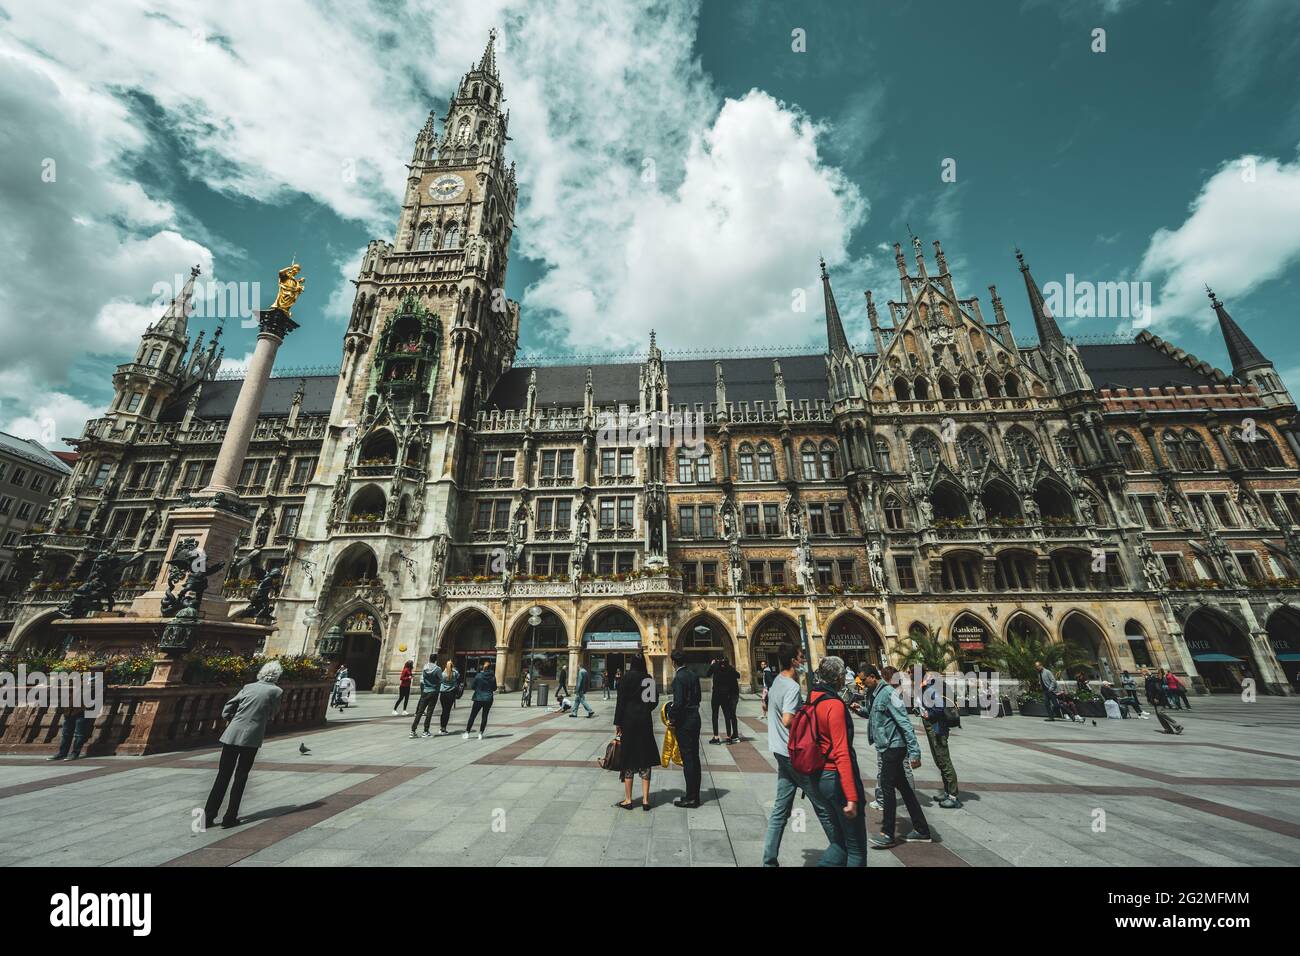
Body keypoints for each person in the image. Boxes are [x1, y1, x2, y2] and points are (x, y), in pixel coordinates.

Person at [762, 643, 835, 866]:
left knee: (780, 810)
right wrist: (808, 716)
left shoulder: (776, 681)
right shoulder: (792, 687)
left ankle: (769, 859)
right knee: (823, 806)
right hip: (795, 755)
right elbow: (787, 720)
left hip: (779, 751)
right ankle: (843, 847)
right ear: (793, 660)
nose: (803, 661)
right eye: (801, 657)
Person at [204, 660, 283, 829]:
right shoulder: (276, 691)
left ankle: (208, 817)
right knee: (241, 776)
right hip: (251, 738)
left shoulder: (248, 687)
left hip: (231, 735)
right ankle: (230, 817)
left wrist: (233, 720)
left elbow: (227, 708)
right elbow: (273, 713)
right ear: (277, 676)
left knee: (222, 776)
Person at [806, 656, 868, 867]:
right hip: (836, 780)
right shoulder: (833, 704)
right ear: (839, 678)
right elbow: (841, 752)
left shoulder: (812, 697)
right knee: (856, 849)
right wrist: (851, 796)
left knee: (839, 843)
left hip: (818, 778)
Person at [869, 665, 932, 848]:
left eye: (864, 679)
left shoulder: (889, 694)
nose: (862, 683)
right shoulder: (879, 694)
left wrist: (915, 751)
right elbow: (878, 719)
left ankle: (888, 834)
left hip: (894, 748)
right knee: (904, 788)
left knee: (886, 786)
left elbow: (904, 722)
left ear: (874, 677)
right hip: (888, 746)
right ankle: (921, 830)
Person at [613, 655, 660, 811]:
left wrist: (618, 723)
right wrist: (645, 710)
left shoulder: (626, 679)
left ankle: (628, 800)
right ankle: (646, 800)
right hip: (644, 722)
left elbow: (620, 702)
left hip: (628, 722)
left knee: (629, 757)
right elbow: (654, 700)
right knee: (645, 756)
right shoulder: (649, 679)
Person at [920, 672, 961, 808]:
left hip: (938, 730)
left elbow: (939, 707)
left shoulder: (931, 689)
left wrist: (928, 714)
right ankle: (947, 791)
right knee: (940, 761)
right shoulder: (927, 689)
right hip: (935, 729)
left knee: (944, 762)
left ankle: (953, 796)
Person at [668, 648, 703, 808]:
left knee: (688, 759)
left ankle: (691, 798)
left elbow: (679, 703)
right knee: (694, 758)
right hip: (695, 717)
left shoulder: (679, 678)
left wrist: (671, 717)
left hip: (685, 721)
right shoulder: (693, 675)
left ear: (674, 662)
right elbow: (699, 697)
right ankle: (695, 794)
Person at [706, 656, 740, 744]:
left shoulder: (715, 666)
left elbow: (707, 674)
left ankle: (716, 737)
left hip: (716, 694)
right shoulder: (729, 668)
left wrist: (712, 665)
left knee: (715, 715)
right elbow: (738, 675)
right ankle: (728, 737)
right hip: (726, 695)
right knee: (727, 716)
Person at [409, 655, 442, 738]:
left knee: (420, 712)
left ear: (429, 659)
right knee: (429, 712)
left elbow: (423, 679)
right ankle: (425, 731)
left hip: (425, 691)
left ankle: (413, 731)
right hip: (433, 691)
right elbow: (441, 679)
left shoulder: (425, 667)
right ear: (435, 660)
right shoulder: (438, 669)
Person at [463, 661, 496, 740]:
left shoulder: (478, 676)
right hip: (488, 698)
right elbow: (495, 688)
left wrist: (479, 689)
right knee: (484, 716)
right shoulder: (493, 677)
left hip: (478, 698)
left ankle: (467, 732)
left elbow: (473, 686)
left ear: (483, 668)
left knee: (472, 716)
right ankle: (480, 733)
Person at [437, 658, 460, 734]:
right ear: (452, 666)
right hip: (451, 694)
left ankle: (441, 727)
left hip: (443, 694)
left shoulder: (443, 674)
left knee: (443, 711)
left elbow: (440, 680)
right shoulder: (455, 673)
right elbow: (458, 676)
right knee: (447, 711)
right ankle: (444, 727)